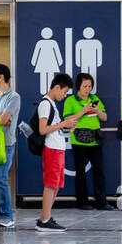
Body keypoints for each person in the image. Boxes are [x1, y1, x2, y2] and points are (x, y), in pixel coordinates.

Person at [35, 73, 88, 233]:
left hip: (57, 148)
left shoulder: (51, 103)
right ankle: (44, 220)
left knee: (56, 185)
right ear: (57, 87)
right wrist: (64, 124)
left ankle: (46, 217)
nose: (64, 96)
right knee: (51, 185)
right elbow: (42, 129)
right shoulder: (45, 104)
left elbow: (55, 126)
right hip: (52, 149)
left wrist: (66, 125)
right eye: (64, 92)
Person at [65, 73, 110, 210]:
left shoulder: (94, 98)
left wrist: (97, 110)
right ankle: (82, 201)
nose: (87, 89)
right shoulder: (71, 100)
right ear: (78, 86)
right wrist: (83, 111)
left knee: (99, 170)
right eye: (84, 86)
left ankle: (101, 201)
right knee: (80, 171)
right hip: (78, 139)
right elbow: (67, 120)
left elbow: (104, 118)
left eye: (90, 86)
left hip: (95, 139)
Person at [0, 64, 20, 228]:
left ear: (1, 77)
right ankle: (3, 215)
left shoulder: (14, 97)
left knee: (0, 180)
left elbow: (1, 121)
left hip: (6, 144)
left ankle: (7, 216)